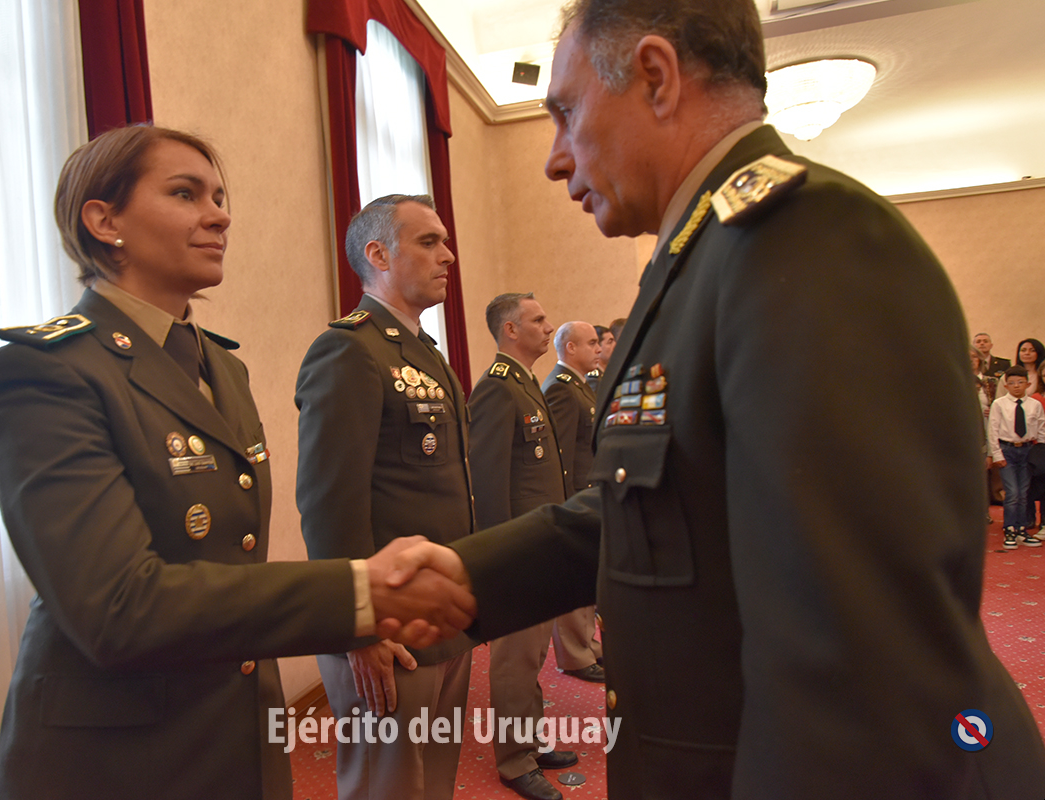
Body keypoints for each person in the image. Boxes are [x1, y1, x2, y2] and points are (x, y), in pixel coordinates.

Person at [380, 0, 1045, 796]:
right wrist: (460, 575)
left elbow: (860, 663)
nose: (556, 159)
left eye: (565, 113)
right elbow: (651, 510)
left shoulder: (808, 240)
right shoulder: (697, 262)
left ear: (657, 78)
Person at [0, 126, 473, 800]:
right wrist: (357, 598)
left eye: (219, 195)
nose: (221, 214)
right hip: (117, 751)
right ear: (104, 220)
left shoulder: (223, 368)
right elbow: (117, 607)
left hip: (236, 721)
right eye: (186, 193)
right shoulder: (46, 371)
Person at [295, 194, 475, 800]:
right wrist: (358, 628)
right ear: (378, 254)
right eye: (429, 242)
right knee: (386, 786)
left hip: (441, 616)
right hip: (387, 625)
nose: (448, 255)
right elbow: (327, 503)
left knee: (433, 782)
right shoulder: (350, 348)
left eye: (445, 241)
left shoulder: (426, 353)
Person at [467, 292, 579, 800]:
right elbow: (488, 483)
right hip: (517, 550)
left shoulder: (525, 385)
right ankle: (514, 760)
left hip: (538, 542)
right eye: (537, 319)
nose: (546, 325)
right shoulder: (496, 389)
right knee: (514, 659)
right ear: (511, 330)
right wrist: (500, 558)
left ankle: (529, 742)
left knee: (532, 652)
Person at [542, 321, 605, 683]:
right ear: (571, 349)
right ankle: (575, 654)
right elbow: (560, 452)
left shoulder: (580, 385)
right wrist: (567, 501)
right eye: (592, 343)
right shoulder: (562, 389)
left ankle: (586, 643)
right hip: (575, 494)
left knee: (587, 581)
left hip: (588, 489)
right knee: (572, 580)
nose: (598, 349)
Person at [988, 366, 1045, 549]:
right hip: (1008, 450)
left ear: (1028, 384)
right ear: (1006, 385)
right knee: (1012, 493)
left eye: (1020, 382)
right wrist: (996, 453)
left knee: (1023, 492)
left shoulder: (1034, 405)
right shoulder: (999, 404)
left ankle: (1022, 529)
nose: (1016, 386)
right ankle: (1010, 528)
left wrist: (1040, 453)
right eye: (1012, 383)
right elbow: (993, 430)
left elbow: (1042, 430)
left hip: (1028, 450)